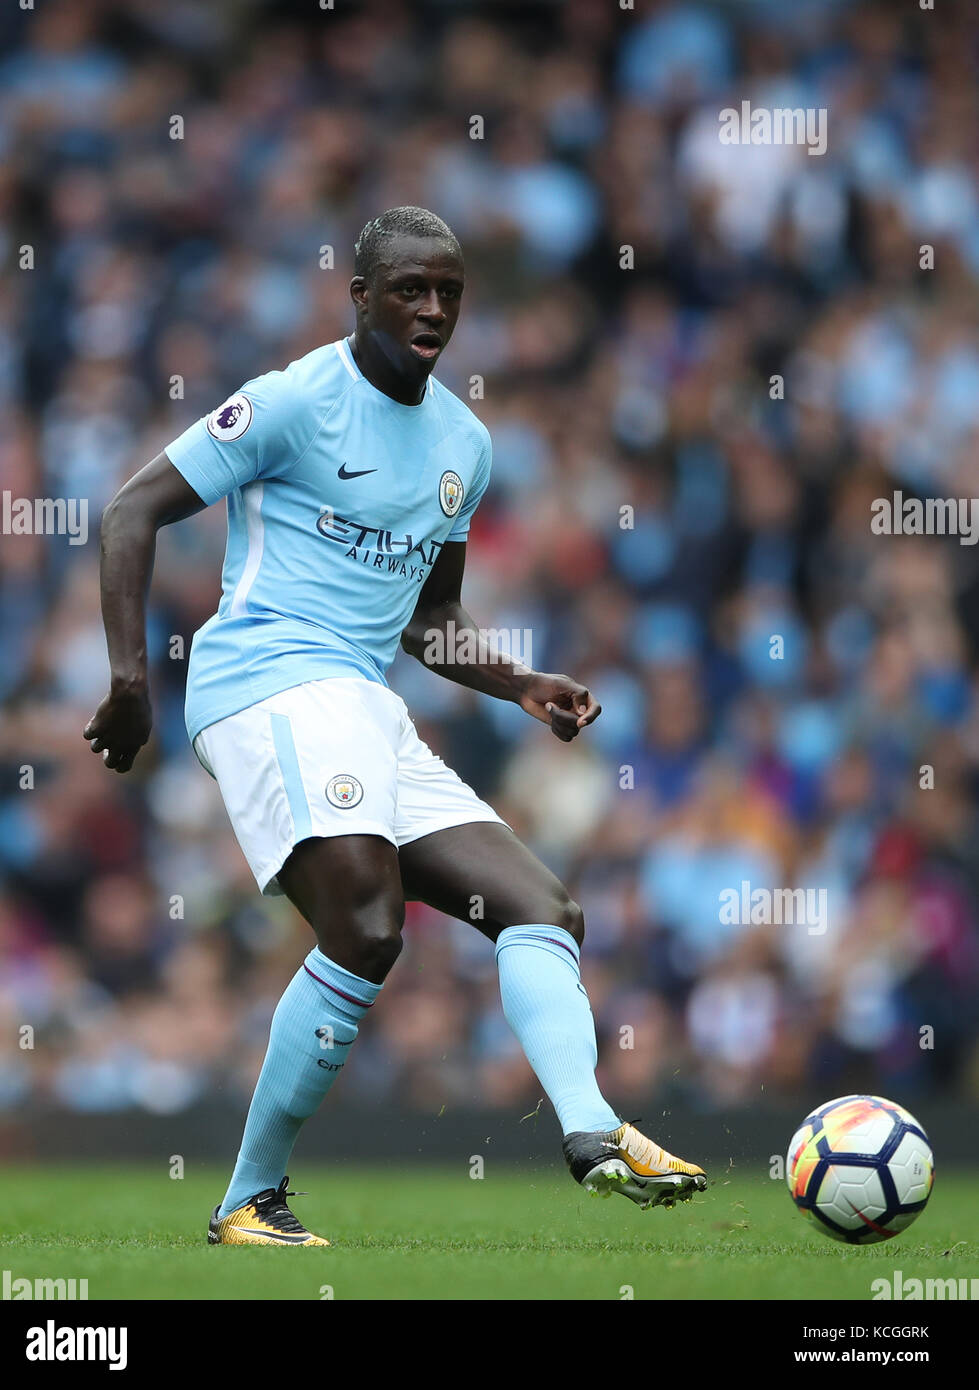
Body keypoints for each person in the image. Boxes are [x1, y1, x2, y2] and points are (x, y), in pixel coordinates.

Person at [85, 207, 706, 1246]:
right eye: (410, 288)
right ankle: (249, 1195)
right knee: (367, 926)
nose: (431, 308)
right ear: (361, 297)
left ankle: (593, 1132)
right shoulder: (293, 401)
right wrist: (128, 677)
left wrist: (518, 683)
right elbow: (129, 511)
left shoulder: (464, 442)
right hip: (267, 679)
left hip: (365, 701)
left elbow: (429, 620)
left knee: (542, 907)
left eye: (449, 291)